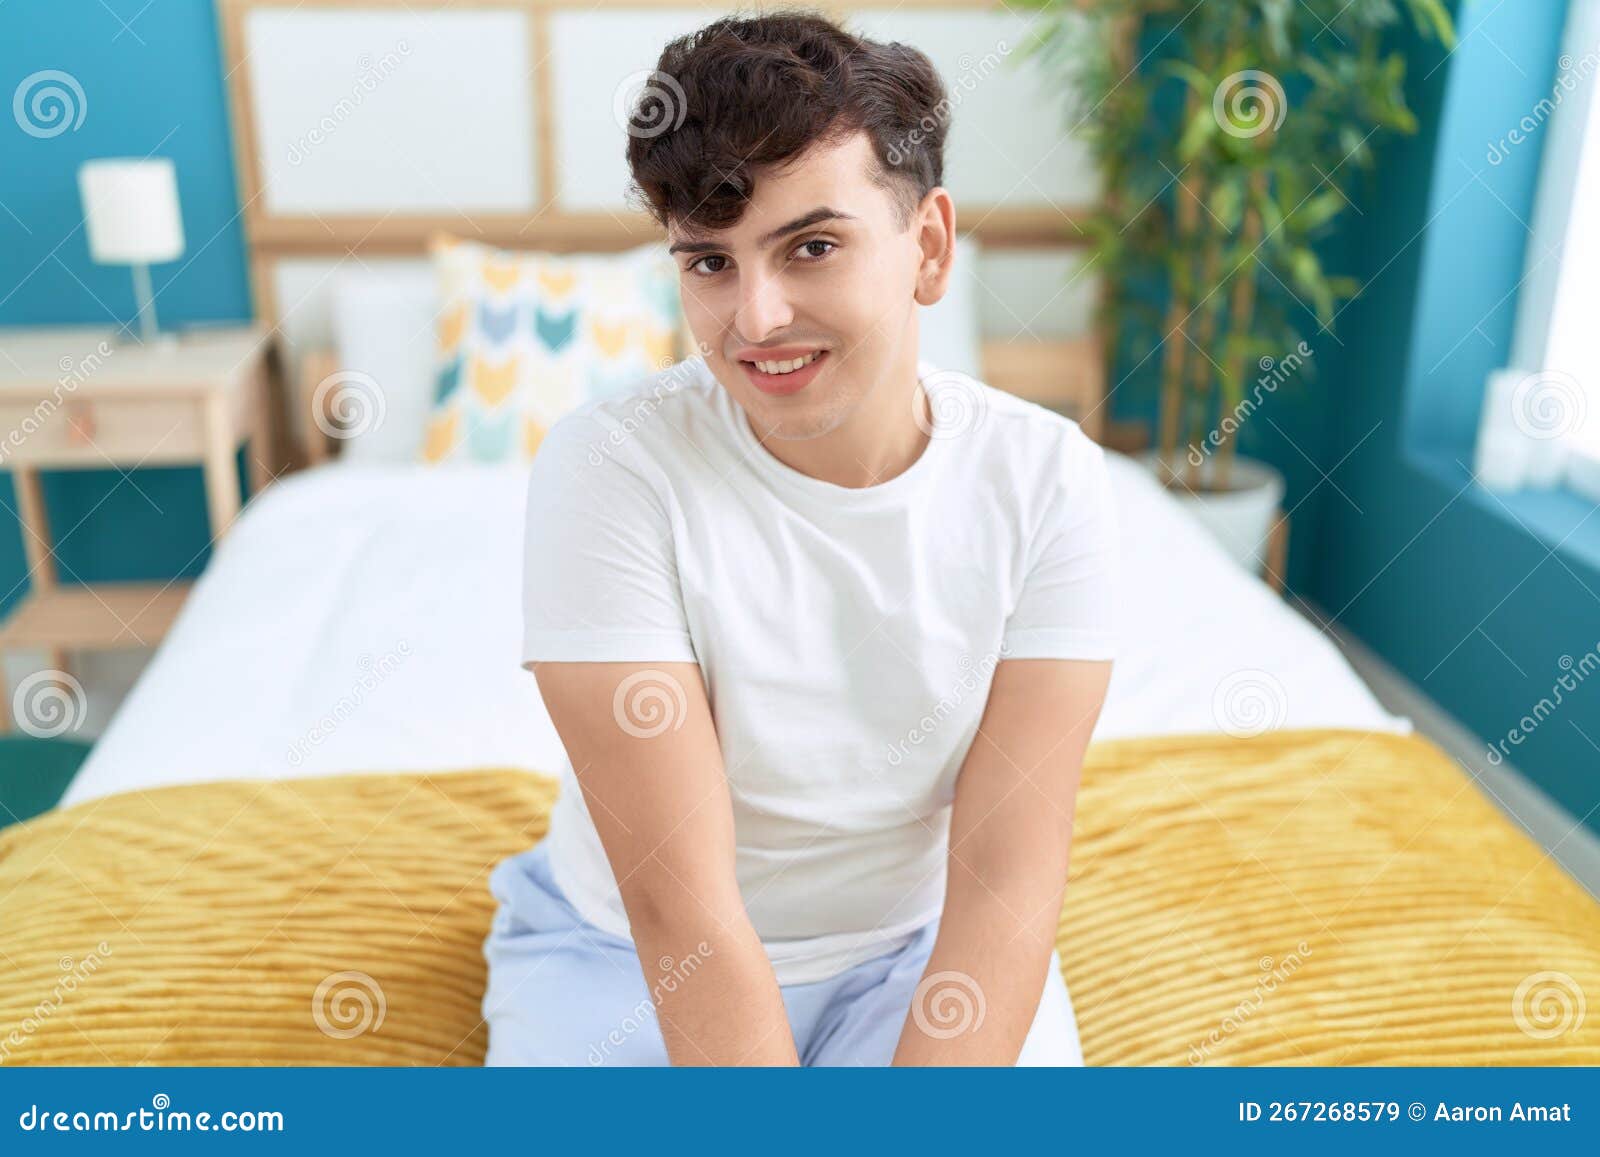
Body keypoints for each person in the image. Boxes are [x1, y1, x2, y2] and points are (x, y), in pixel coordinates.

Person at [482, 10, 1119, 1066]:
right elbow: (680, 910)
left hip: (913, 949)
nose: (757, 318)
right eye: (709, 264)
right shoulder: (609, 466)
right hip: (627, 955)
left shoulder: (1048, 480)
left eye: (810, 247)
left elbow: (1008, 871)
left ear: (927, 245)